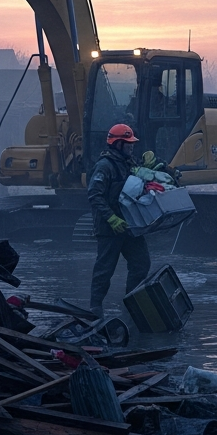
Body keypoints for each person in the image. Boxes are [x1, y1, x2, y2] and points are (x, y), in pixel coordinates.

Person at [86, 124, 154, 312]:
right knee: (104, 270)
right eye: (128, 144)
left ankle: (132, 304)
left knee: (141, 264)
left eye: (132, 143)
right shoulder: (104, 166)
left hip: (130, 226)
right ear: (117, 144)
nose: (132, 147)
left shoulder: (129, 163)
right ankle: (95, 309)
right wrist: (111, 219)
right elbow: (94, 195)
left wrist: (151, 168)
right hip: (109, 229)